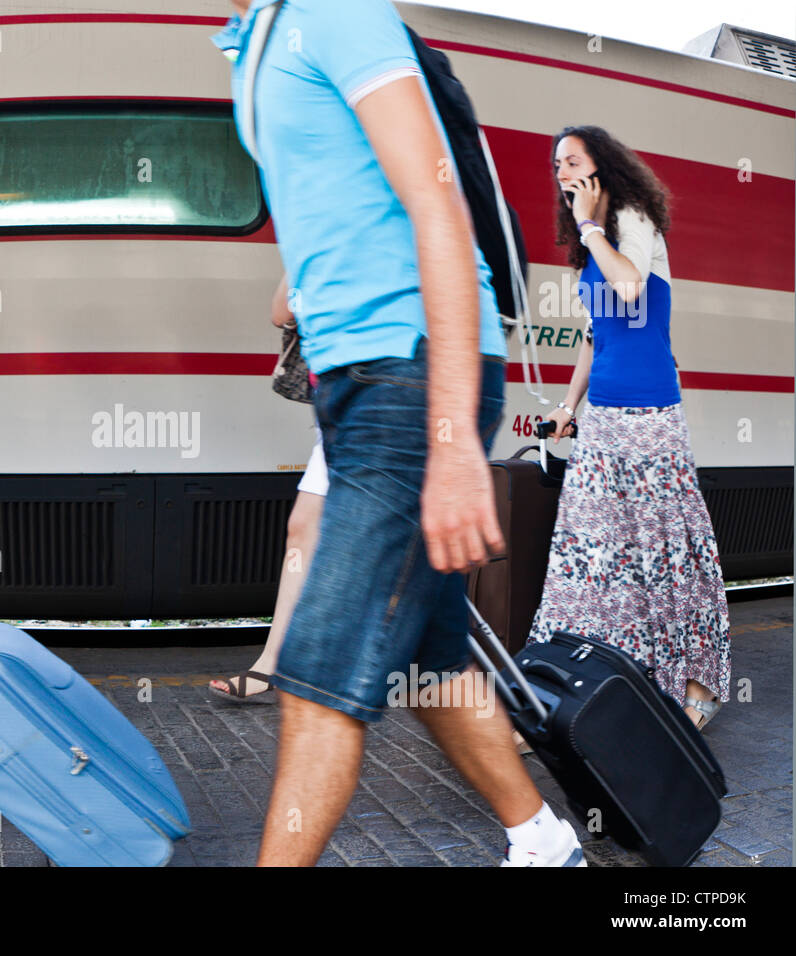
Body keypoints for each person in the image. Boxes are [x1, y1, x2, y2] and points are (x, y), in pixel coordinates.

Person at [215, 0, 585, 867]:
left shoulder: (335, 13)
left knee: (318, 674)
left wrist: (455, 443)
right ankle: (541, 839)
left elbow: (438, 204)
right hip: (355, 379)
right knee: (430, 656)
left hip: (412, 373)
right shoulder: (252, 43)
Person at [530, 125, 730, 729]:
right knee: (588, 559)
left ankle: (696, 685)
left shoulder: (634, 221)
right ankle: (558, 691)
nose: (562, 172)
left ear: (602, 165)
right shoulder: (590, 246)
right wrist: (568, 408)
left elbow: (630, 286)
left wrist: (591, 226)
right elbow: (597, 337)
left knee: (667, 552)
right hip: (604, 419)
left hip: (651, 418)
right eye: (556, 164)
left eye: (572, 160)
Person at [211, 275, 324, 703]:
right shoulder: (324, 237)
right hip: (338, 411)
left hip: (378, 407)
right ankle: (272, 663)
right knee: (302, 529)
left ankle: (446, 678)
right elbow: (281, 312)